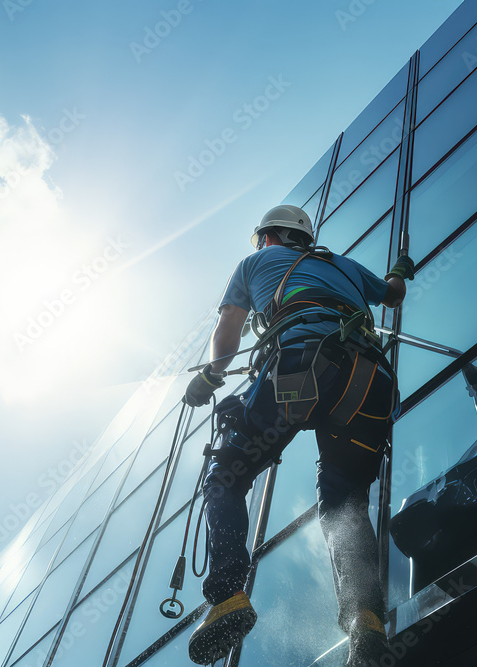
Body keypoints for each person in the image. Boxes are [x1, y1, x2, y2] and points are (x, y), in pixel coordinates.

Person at [183, 204, 414, 665]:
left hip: (302, 365)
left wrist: (209, 378)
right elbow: (392, 294)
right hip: (370, 381)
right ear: (303, 238)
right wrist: (398, 270)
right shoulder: (342, 265)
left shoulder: (254, 263)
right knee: (344, 502)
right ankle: (365, 622)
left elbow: (228, 329)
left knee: (225, 474)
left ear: (269, 236)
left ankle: (227, 596)